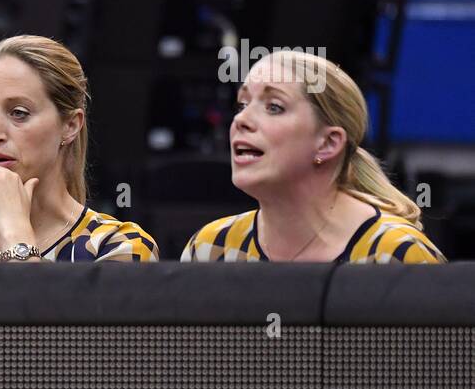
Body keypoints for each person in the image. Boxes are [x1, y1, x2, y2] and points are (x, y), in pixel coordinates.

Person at [0, 34, 158, 262]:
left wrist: (15, 232)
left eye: (19, 113)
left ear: (70, 125)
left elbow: (39, 319)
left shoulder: (120, 246)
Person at [181, 50, 444, 263]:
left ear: (328, 143)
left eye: (274, 107)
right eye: (242, 104)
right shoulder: (211, 249)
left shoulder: (397, 255)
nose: (241, 120)